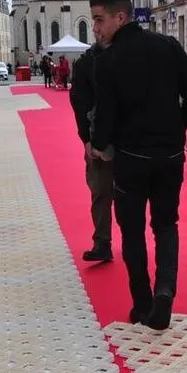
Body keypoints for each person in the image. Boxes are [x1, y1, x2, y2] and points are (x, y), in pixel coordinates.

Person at [89, 0, 187, 330]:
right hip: (169, 156)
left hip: (131, 159)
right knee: (167, 224)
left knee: (133, 231)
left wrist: (98, 144)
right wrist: (175, 128)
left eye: (99, 19)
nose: (95, 28)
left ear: (120, 17)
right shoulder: (168, 46)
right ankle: (166, 289)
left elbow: (105, 117)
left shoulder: (107, 61)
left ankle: (142, 302)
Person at [69, 42, 113, 263]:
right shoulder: (87, 61)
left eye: (99, 21)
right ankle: (102, 242)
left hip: (130, 140)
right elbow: (79, 101)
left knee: (130, 195)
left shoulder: (131, 55)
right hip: (97, 138)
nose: (96, 28)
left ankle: (131, 242)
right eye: (94, 22)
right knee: (100, 191)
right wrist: (86, 138)